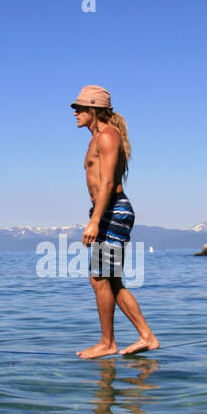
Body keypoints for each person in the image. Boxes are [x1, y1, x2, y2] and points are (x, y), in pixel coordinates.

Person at [70, 85, 160, 358]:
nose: (75, 113)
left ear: (94, 109)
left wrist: (96, 221)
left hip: (112, 212)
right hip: (105, 211)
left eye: (80, 108)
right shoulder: (96, 138)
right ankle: (146, 336)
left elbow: (108, 182)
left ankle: (108, 343)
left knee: (99, 279)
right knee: (111, 281)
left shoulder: (108, 136)